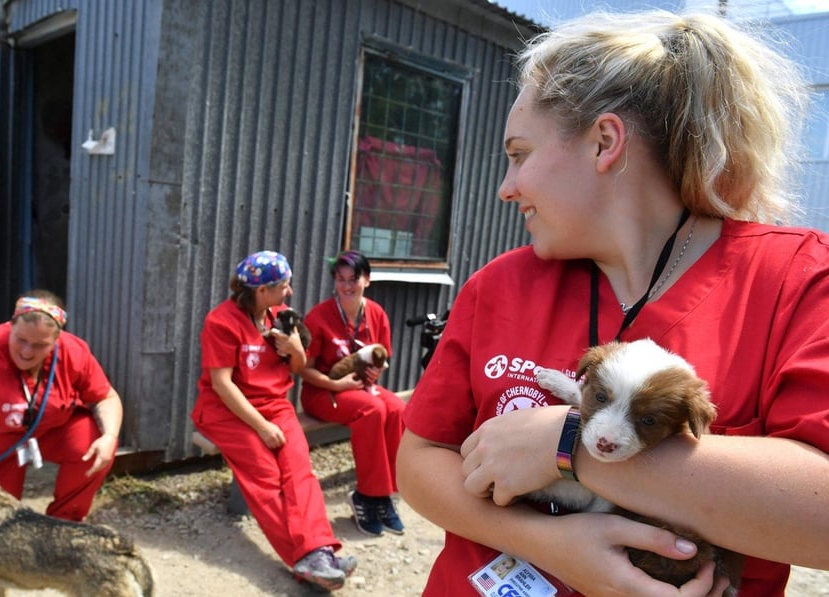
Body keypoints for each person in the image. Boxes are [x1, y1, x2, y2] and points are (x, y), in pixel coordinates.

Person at [397, 9, 829, 597]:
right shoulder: (499, 285)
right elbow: (420, 461)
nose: (506, 186)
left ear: (605, 141)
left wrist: (568, 442)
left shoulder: (796, 281)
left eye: (519, 154)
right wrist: (549, 545)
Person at [191, 251, 358, 591]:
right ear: (262, 291)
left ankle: (319, 552)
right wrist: (261, 427)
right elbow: (222, 384)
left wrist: (295, 348)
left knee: (299, 470)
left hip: (275, 404)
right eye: (284, 285)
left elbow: (298, 369)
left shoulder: (283, 317)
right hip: (226, 410)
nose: (290, 291)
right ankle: (308, 558)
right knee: (265, 477)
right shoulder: (221, 322)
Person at [0, 290, 122, 522]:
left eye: (40, 345)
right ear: (10, 326)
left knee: (94, 443)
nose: (27, 351)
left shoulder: (73, 351)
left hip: (51, 429)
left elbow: (106, 397)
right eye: (20, 340)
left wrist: (110, 436)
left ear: (57, 340)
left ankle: (64, 521)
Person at [299, 250, 406, 537]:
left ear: (367, 280)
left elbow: (383, 357)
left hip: (360, 387)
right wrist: (336, 385)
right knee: (373, 410)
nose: (347, 286)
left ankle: (385, 496)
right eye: (340, 279)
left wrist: (376, 373)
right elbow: (303, 369)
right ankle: (367, 496)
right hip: (323, 390)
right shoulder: (319, 315)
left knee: (397, 408)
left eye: (353, 279)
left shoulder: (376, 313)